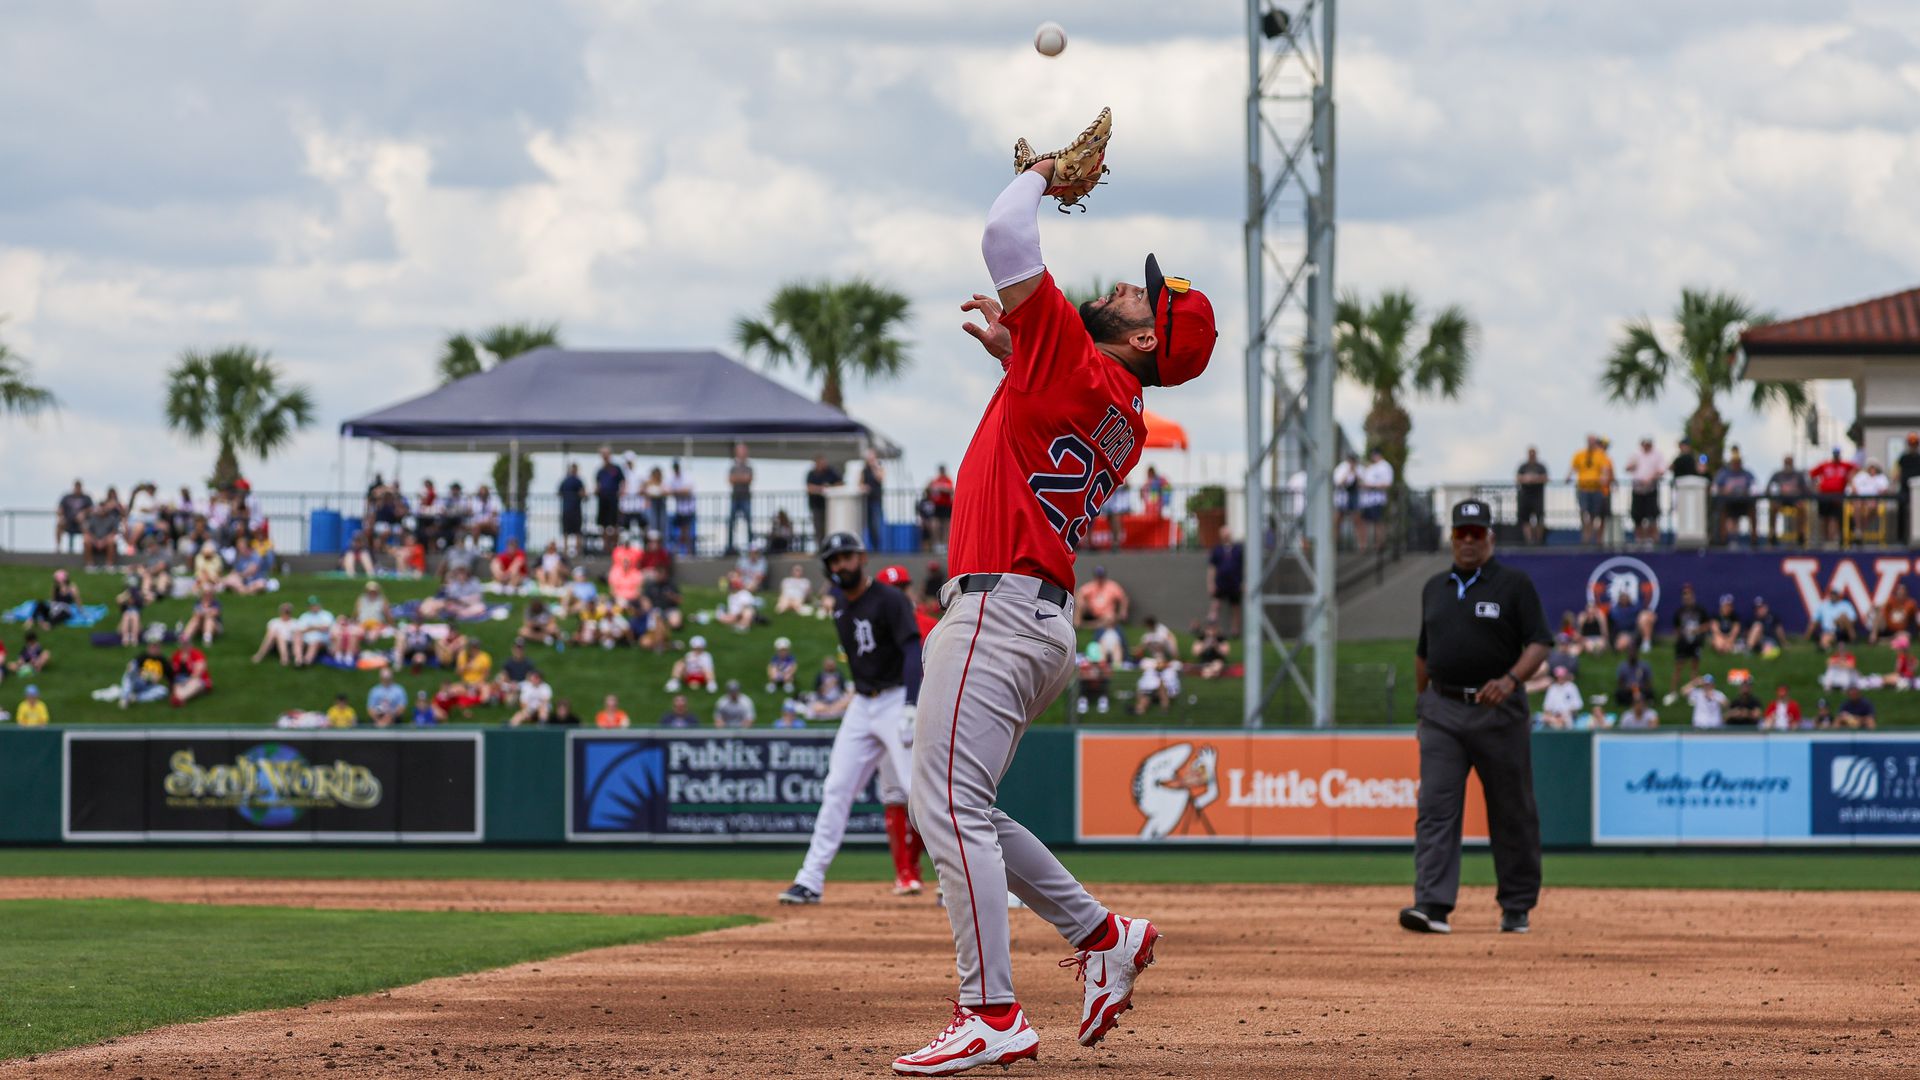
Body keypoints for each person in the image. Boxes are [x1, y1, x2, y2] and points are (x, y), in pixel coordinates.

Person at [889, 155, 1221, 1074]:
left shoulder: (1080, 364)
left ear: (1146, 339)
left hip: (999, 609)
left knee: (947, 806)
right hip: (1030, 615)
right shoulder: (1121, 409)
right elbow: (1056, 410)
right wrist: (1018, 353)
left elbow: (1003, 234)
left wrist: (1040, 174)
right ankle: (1104, 936)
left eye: (1142, 296)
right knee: (962, 806)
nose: (1124, 287)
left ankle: (991, 1011)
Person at [1405, 498, 1549, 938]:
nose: (1468, 541)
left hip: (1497, 710)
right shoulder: (1434, 587)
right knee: (1435, 808)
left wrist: (1510, 680)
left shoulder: (1514, 584)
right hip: (1443, 709)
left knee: (1511, 809)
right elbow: (1424, 653)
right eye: (1460, 533)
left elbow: (1540, 642)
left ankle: (1517, 905)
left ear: (1490, 537)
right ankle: (1431, 904)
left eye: (1476, 533)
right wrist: (1422, 705)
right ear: (1451, 538)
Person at [778, 532, 920, 905]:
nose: (841, 564)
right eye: (834, 560)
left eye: (846, 557)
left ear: (862, 557)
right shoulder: (839, 605)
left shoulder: (889, 599)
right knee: (836, 788)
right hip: (862, 702)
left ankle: (976, 879)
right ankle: (810, 880)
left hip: (895, 699)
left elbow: (912, 650)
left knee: (920, 795)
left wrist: (912, 703)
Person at [1570, 435, 1613, 545]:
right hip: (1584, 489)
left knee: (1597, 516)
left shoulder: (1602, 456)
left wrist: (1605, 479)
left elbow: (1607, 471)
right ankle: (1587, 536)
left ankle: (1594, 539)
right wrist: (1568, 476)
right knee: (1585, 514)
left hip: (1598, 490)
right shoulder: (1580, 454)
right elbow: (1574, 467)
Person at [1808, 448, 1857, 544]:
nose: (1836, 456)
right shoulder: (1825, 465)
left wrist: (1851, 478)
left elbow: (1857, 469)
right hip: (1824, 496)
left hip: (1838, 497)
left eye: (1837, 454)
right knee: (1824, 517)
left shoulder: (1845, 465)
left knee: (1835, 517)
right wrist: (1816, 486)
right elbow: (1812, 474)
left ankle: (1833, 539)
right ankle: (1824, 539)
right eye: (1835, 454)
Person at [1622, 436, 1665, 544]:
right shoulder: (1636, 455)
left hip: (1651, 490)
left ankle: (1654, 541)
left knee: (1652, 517)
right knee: (1637, 517)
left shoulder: (1657, 455)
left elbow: (1661, 470)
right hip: (1637, 490)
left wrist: (1650, 478)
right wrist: (1632, 466)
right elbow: (1627, 468)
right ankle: (1639, 540)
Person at [1714, 448, 1758, 543]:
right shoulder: (1723, 474)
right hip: (1729, 504)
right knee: (1721, 509)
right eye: (1734, 462)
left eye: (1738, 462)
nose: (1736, 464)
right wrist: (1724, 490)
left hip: (1743, 503)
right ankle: (1722, 539)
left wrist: (1746, 491)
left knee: (1752, 509)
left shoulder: (1747, 474)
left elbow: (1754, 488)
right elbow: (1715, 489)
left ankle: (1754, 538)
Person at [1206, 528, 1244, 636]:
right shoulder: (1217, 550)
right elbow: (1212, 568)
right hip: (1220, 583)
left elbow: (1243, 567)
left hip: (1235, 583)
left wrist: (1243, 583)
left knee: (1236, 608)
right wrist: (1211, 583)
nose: (1226, 536)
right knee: (1215, 605)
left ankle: (1235, 631)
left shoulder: (1238, 549)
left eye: (1227, 534)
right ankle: (1212, 630)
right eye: (1224, 534)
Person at [1670, 583, 1708, 690]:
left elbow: (1707, 625)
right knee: (1678, 667)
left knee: (1694, 668)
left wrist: (1696, 630)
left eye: (1689, 594)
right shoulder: (1679, 612)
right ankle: (1672, 691)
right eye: (1684, 594)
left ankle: (1693, 692)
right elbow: (1676, 628)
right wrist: (1681, 634)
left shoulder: (1700, 610)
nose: (1687, 597)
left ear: (1693, 595)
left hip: (1696, 642)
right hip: (1683, 643)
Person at [1766, 456, 1810, 544]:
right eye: (1786, 462)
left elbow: (1806, 490)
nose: (1788, 465)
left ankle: (1801, 534)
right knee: (1773, 507)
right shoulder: (1777, 475)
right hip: (1780, 500)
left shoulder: (1799, 475)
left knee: (1802, 507)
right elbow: (1768, 489)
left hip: (1795, 500)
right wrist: (1776, 493)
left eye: (1789, 463)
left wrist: (1797, 492)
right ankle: (1772, 533)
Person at [804, 455, 843, 551]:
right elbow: (809, 488)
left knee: (828, 527)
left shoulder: (830, 472)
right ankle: (820, 548)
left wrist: (830, 488)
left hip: (829, 507)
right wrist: (821, 489)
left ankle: (829, 547)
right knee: (818, 528)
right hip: (816, 506)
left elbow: (841, 483)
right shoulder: (811, 474)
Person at [724, 443, 755, 555]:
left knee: (749, 522)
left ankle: (751, 547)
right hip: (735, 498)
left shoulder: (749, 467)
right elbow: (730, 480)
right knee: (731, 522)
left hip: (745, 498)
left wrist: (738, 478)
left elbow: (749, 479)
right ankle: (730, 547)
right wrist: (742, 478)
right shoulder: (733, 467)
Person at [1514, 447, 1549, 546]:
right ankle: (1528, 541)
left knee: (1539, 519)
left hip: (1537, 496)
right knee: (1526, 520)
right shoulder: (1523, 466)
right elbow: (1518, 478)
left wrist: (1535, 479)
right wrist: (1526, 479)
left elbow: (1545, 478)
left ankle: (1539, 540)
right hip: (1525, 496)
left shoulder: (1541, 467)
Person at [593, 447, 624, 554]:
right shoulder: (600, 471)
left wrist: (621, 492)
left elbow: (623, 482)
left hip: (613, 500)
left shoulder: (616, 468)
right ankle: (605, 547)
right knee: (603, 525)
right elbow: (598, 485)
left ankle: (615, 546)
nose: (605, 456)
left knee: (615, 524)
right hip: (602, 500)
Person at [250, 602, 300, 666]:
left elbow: (297, 636)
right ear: (281, 612)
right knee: (275, 635)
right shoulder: (274, 621)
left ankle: (284, 658)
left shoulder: (295, 622)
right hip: (274, 643)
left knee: (281, 636)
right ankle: (260, 655)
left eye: (287, 612)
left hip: (289, 642)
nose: (286, 613)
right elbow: (269, 634)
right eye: (284, 611)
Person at [858, 448, 888, 550]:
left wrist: (875, 467)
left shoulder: (879, 468)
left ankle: (877, 547)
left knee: (876, 525)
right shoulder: (864, 470)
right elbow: (860, 483)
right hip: (866, 501)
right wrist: (864, 487)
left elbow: (880, 478)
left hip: (876, 500)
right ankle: (870, 546)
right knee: (869, 525)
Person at [923, 464, 955, 552]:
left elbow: (950, 489)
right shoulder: (935, 480)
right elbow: (929, 489)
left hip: (947, 505)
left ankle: (944, 543)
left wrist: (941, 488)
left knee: (946, 525)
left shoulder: (948, 480)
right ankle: (937, 543)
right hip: (937, 505)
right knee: (935, 525)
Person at [667, 460, 696, 555]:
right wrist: (678, 492)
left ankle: (688, 552)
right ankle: (679, 551)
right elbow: (667, 490)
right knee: (680, 533)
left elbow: (687, 490)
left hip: (688, 510)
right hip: (679, 510)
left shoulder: (687, 476)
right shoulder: (672, 478)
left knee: (686, 532)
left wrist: (675, 491)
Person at [558, 463, 587, 557]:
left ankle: (566, 551)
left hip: (566, 509)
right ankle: (577, 552)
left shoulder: (564, 481)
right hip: (575, 510)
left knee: (566, 532)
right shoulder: (578, 481)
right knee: (577, 531)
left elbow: (559, 493)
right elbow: (582, 493)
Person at [57, 481, 93, 554]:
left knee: (86, 526)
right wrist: (61, 516)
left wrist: (83, 513)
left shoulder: (86, 498)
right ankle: (58, 548)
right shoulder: (67, 497)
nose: (77, 489)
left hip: (81, 523)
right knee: (59, 524)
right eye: (76, 487)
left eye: (79, 487)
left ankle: (86, 548)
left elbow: (92, 509)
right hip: (68, 522)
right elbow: (60, 508)